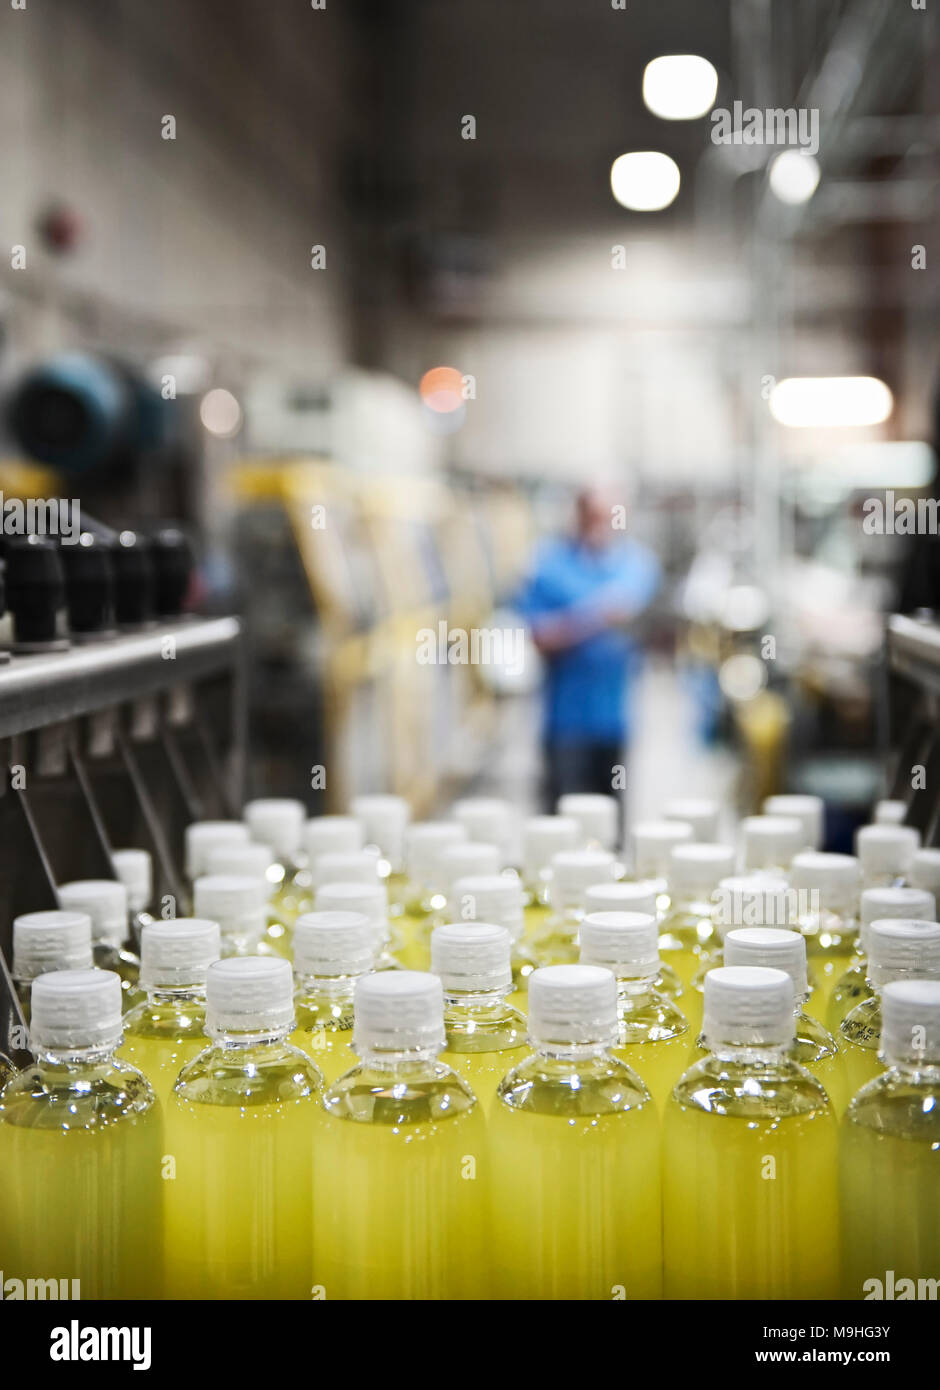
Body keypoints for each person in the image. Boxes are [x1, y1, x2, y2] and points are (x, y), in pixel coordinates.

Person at [516, 487, 661, 816]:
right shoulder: (549, 566)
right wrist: (597, 616)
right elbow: (538, 636)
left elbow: (650, 622)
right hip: (566, 723)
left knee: (609, 817)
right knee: (563, 817)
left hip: (614, 721)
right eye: (593, 515)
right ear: (578, 515)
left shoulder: (635, 564)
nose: (601, 525)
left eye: (610, 516)